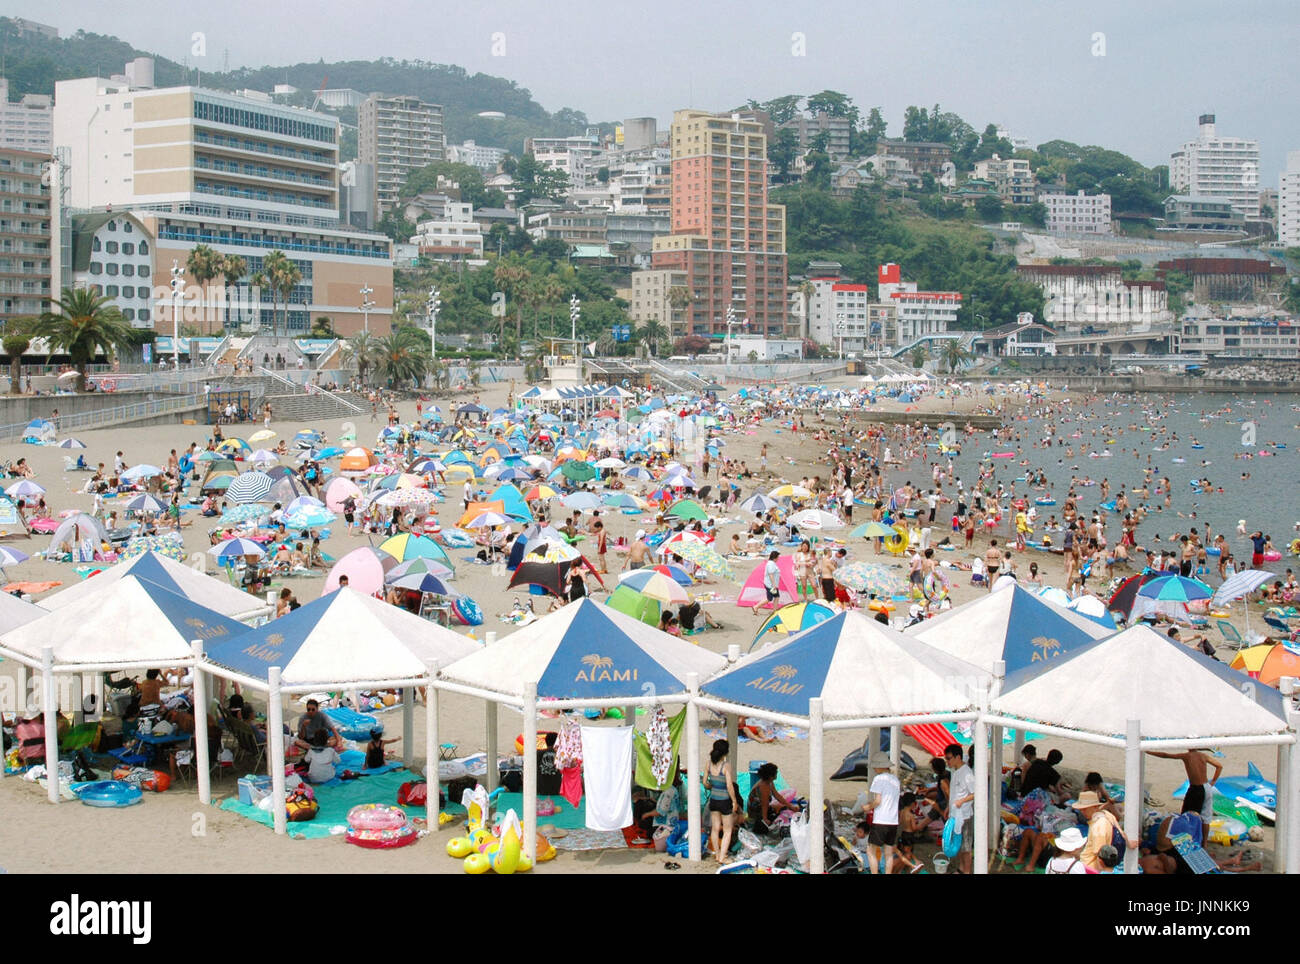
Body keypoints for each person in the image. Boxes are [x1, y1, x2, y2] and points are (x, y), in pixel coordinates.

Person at [1146, 748, 1220, 826]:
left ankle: (1190, 834)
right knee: (1206, 818)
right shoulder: (1203, 756)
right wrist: (1213, 781)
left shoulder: (1187, 756)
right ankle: (1204, 838)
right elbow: (1219, 766)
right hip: (1206, 787)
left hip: (1197, 788)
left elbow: (1166, 755)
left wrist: (1148, 751)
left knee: (1190, 814)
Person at [1073, 790, 1134, 872]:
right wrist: (1130, 844)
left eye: (1085, 809)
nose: (1082, 812)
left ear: (1094, 807)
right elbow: (1121, 832)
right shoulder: (1106, 814)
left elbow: (1099, 855)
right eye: (1081, 809)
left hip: (1089, 868)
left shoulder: (1098, 826)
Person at [860, 755, 900, 875]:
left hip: (881, 820)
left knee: (871, 851)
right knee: (888, 852)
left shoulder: (879, 779)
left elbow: (878, 801)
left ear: (880, 767)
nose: (874, 769)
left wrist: (868, 807)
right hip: (893, 821)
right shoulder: (895, 780)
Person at [705, 739, 740, 864]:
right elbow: (730, 786)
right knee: (727, 830)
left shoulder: (708, 764)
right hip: (724, 800)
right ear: (725, 753)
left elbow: (705, 783)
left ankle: (717, 854)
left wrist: (713, 787)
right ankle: (723, 857)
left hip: (713, 799)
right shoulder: (726, 766)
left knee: (715, 828)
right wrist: (734, 801)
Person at [944, 742, 976, 874]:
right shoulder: (955, 771)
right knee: (958, 844)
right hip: (955, 814)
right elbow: (954, 793)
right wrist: (948, 807)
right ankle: (962, 868)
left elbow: (976, 793)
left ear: (958, 757)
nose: (947, 762)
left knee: (966, 846)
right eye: (946, 759)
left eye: (949, 758)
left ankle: (967, 871)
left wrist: (962, 801)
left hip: (965, 815)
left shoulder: (967, 773)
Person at [746, 762, 796, 833]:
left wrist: (790, 806)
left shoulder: (769, 782)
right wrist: (765, 819)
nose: (777, 773)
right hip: (756, 811)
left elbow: (777, 796)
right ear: (770, 776)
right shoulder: (763, 786)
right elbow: (764, 804)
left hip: (761, 806)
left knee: (780, 808)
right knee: (773, 816)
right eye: (776, 772)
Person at [752, 550, 782, 615]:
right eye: (777, 557)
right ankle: (756, 607)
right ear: (775, 558)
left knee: (777, 596)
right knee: (769, 599)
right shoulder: (771, 564)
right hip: (771, 585)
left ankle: (774, 611)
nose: (778, 559)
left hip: (772, 585)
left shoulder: (771, 563)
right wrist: (774, 584)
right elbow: (771, 574)